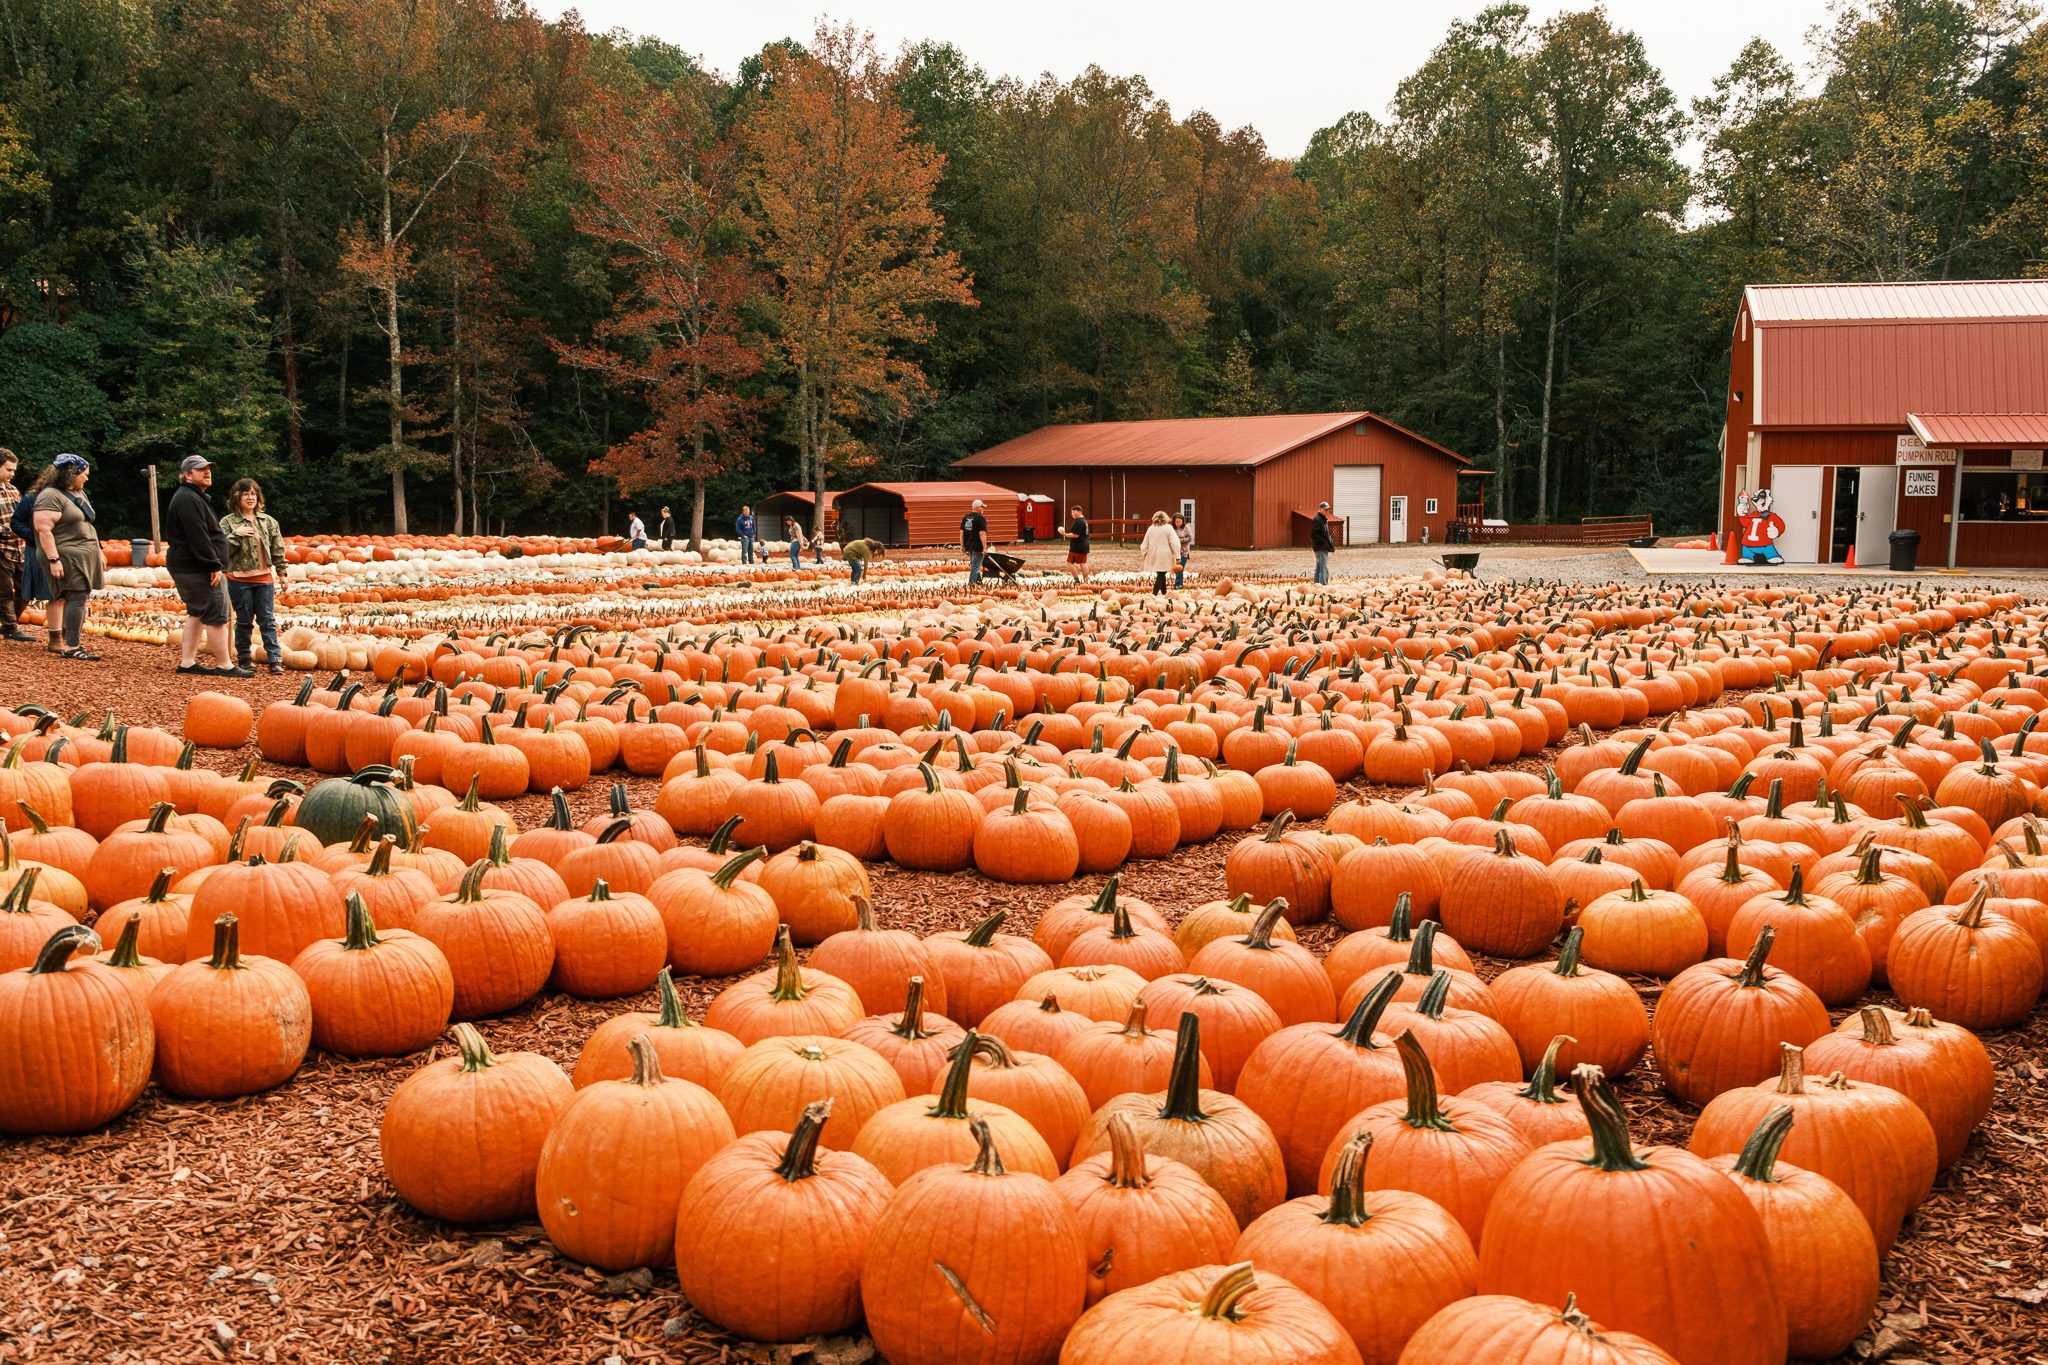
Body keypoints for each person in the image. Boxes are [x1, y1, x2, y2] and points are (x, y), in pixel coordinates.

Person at [165, 454, 249, 677]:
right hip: (196, 567)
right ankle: (225, 665)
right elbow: (198, 536)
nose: (207, 471)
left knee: (197, 613)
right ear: (187, 475)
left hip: (191, 565)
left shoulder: (192, 497)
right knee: (215, 613)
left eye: (208, 468)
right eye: (200, 469)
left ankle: (187, 662)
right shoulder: (187, 499)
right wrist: (213, 564)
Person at [29, 454, 105, 660]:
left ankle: (74, 643)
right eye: (84, 474)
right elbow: (44, 529)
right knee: (76, 597)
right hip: (66, 554)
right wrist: (54, 559)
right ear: (71, 473)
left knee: (81, 597)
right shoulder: (50, 496)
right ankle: (72, 646)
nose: (87, 478)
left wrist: (98, 551)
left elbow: (86, 523)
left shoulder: (77, 492)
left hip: (83, 553)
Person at [221, 478, 287, 675]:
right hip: (239, 579)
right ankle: (244, 658)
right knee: (244, 620)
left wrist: (282, 573)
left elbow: (278, 549)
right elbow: (221, 550)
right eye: (245, 494)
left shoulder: (268, 522)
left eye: (253, 493)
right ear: (236, 497)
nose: (250, 497)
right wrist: (236, 534)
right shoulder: (228, 523)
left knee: (267, 619)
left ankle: (274, 659)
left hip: (263, 578)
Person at [0, 449, 31, 641]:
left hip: (20, 547)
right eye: (8, 469)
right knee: (3, 590)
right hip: (2, 547)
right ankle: (11, 627)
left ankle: (9, 623)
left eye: (14, 470)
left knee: (26, 588)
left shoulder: (13, 490)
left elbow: (22, 516)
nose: (12, 473)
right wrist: (6, 532)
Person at [1140, 511, 1179, 595]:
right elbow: (1174, 542)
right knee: (1161, 575)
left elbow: (1144, 543)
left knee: (1161, 574)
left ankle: (1164, 593)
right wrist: (1177, 555)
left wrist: (1144, 554)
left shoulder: (1151, 528)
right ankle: (1154, 594)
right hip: (1165, 555)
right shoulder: (1168, 528)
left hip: (1153, 554)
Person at [1058, 505, 1091, 583]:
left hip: (1077, 546)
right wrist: (1066, 534)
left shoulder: (1079, 522)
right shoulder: (1084, 521)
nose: (1071, 514)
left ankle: (1077, 580)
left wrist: (1065, 535)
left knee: (1069, 563)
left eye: (1073, 512)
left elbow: (1076, 535)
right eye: (1071, 512)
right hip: (1084, 545)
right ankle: (1086, 581)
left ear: (1078, 512)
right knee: (1083, 563)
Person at [960, 498, 990, 584]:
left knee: (974, 565)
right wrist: (984, 547)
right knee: (975, 567)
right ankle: (971, 584)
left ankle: (978, 582)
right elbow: (982, 533)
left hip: (968, 546)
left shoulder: (966, 517)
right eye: (982, 507)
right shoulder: (980, 518)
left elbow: (961, 532)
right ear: (978, 507)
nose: (983, 509)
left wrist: (962, 546)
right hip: (977, 546)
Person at [1310, 500, 1335, 585]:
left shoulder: (1323, 520)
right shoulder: (1317, 519)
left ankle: (1317, 584)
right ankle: (1323, 585)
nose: (1327, 511)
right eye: (1325, 509)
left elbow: (1325, 533)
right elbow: (1313, 533)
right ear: (1320, 509)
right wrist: (1323, 542)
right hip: (1320, 547)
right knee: (1323, 567)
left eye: (1328, 510)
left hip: (1322, 546)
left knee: (1319, 566)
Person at [1172, 513, 1193, 589]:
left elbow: (1190, 538)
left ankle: (1178, 585)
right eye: (1177, 522)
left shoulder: (1186, 528)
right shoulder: (1171, 529)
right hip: (1174, 551)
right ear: (1174, 521)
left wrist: (1180, 540)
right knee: (1175, 568)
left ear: (1182, 521)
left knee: (1180, 568)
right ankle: (1177, 584)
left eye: (1180, 521)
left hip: (1184, 551)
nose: (1178, 523)